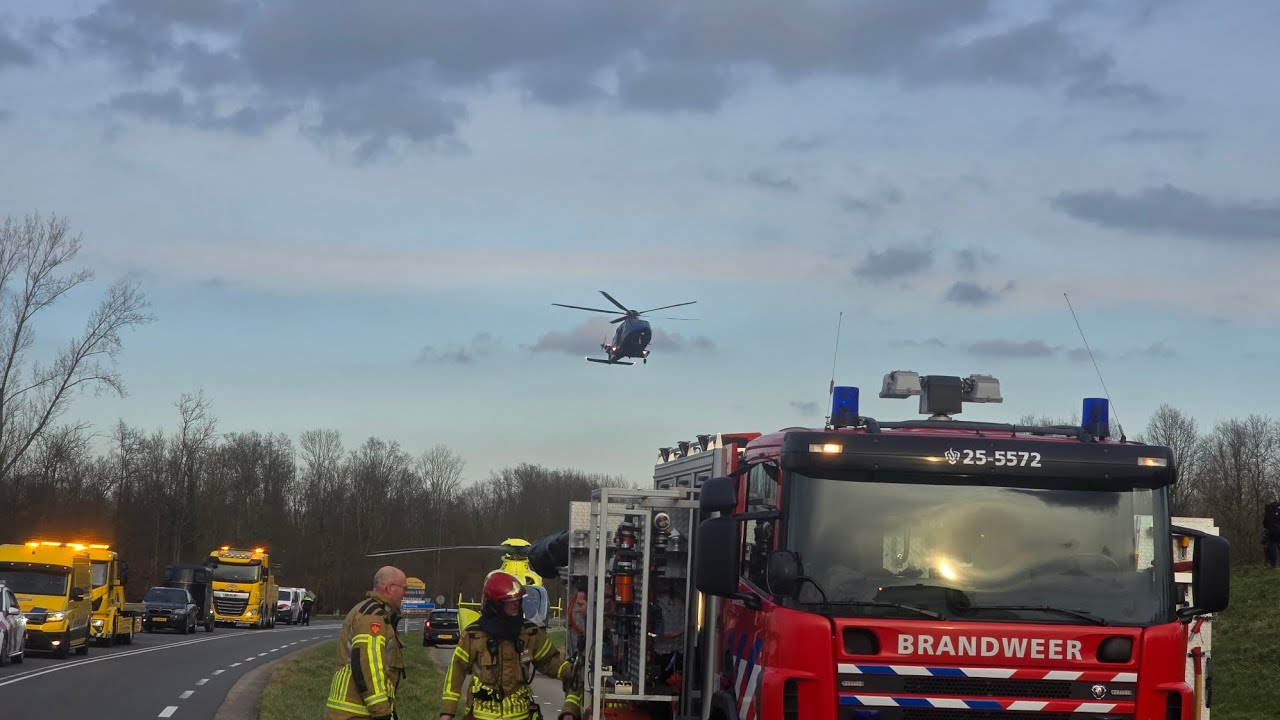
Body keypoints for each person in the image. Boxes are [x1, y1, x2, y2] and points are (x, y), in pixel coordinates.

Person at [440, 571, 582, 720]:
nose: (517, 604)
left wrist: (574, 673)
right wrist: (447, 712)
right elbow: (456, 671)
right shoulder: (473, 634)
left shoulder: (530, 633)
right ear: (496, 604)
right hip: (481, 716)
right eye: (511, 600)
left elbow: (549, 662)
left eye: (518, 599)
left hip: (520, 716)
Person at [325, 567, 409, 720]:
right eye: (404, 588)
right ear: (390, 588)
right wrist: (381, 711)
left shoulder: (375, 613)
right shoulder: (373, 617)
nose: (406, 593)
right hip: (357, 713)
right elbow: (368, 665)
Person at [1264, 502, 1280, 568]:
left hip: (1271, 532)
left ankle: (1272, 564)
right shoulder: (1277, 511)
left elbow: (1265, 523)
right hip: (1278, 531)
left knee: (1271, 547)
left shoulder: (1268, 512)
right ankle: (1271, 563)